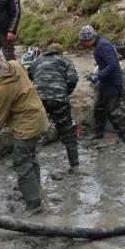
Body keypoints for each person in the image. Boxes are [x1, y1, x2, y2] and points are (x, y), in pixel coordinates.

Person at [0, 46, 49, 217]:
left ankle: (34, 205)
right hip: (38, 116)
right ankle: (35, 190)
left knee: (21, 161)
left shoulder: (1, 90)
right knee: (30, 157)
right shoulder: (14, 64)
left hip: (27, 125)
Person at [28, 43, 79, 172]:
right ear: (59, 53)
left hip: (38, 100)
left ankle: (28, 165)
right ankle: (75, 166)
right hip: (59, 99)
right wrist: (65, 92)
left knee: (31, 132)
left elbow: (28, 78)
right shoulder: (65, 60)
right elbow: (73, 79)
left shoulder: (36, 61)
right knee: (67, 131)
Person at [78, 25, 125, 143]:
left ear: (88, 39)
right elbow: (105, 65)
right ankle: (99, 134)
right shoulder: (99, 44)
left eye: (83, 42)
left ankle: (124, 138)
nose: (82, 45)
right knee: (99, 108)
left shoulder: (103, 46)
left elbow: (113, 65)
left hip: (113, 84)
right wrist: (95, 74)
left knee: (113, 111)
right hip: (105, 83)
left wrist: (98, 76)